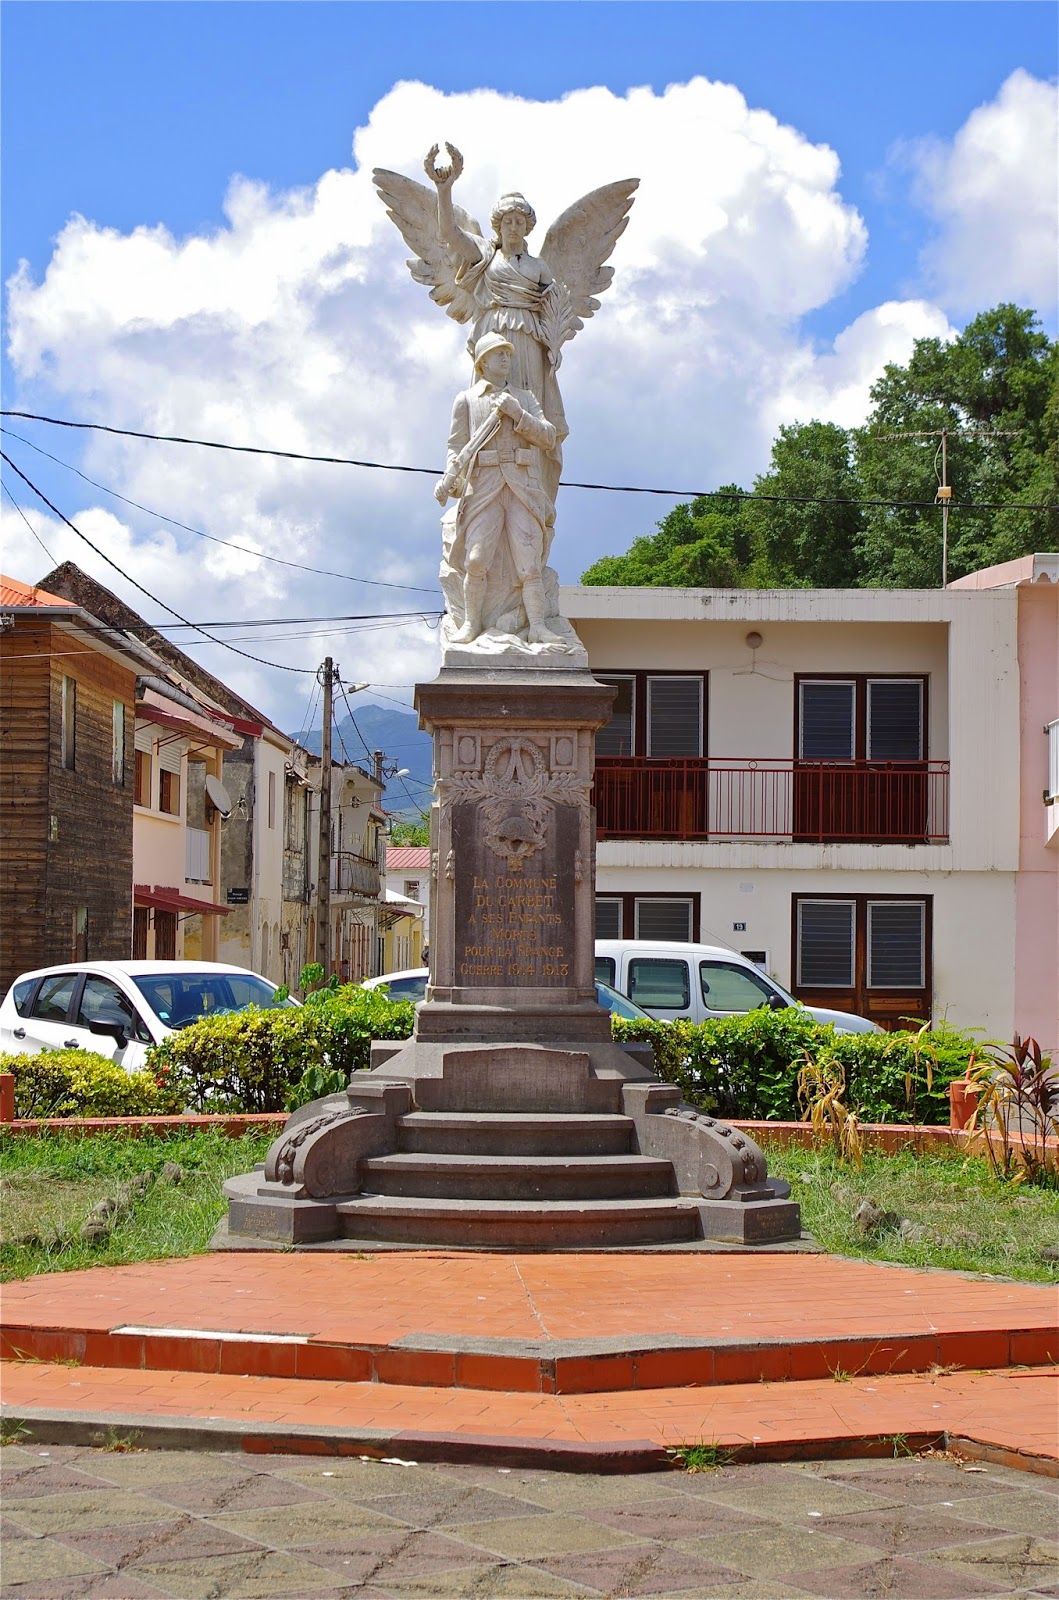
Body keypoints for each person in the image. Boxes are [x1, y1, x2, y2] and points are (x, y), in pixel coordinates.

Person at [435, 332, 564, 647]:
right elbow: (456, 448)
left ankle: (537, 627)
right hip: (483, 487)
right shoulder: (466, 400)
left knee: (530, 563)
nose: (506, 358)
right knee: (476, 560)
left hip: (522, 484)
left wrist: (518, 414)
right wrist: (452, 479)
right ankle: (471, 624)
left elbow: (548, 437)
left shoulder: (524, 397)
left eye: (508, 354)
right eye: (499, 354)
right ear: (483, 362)